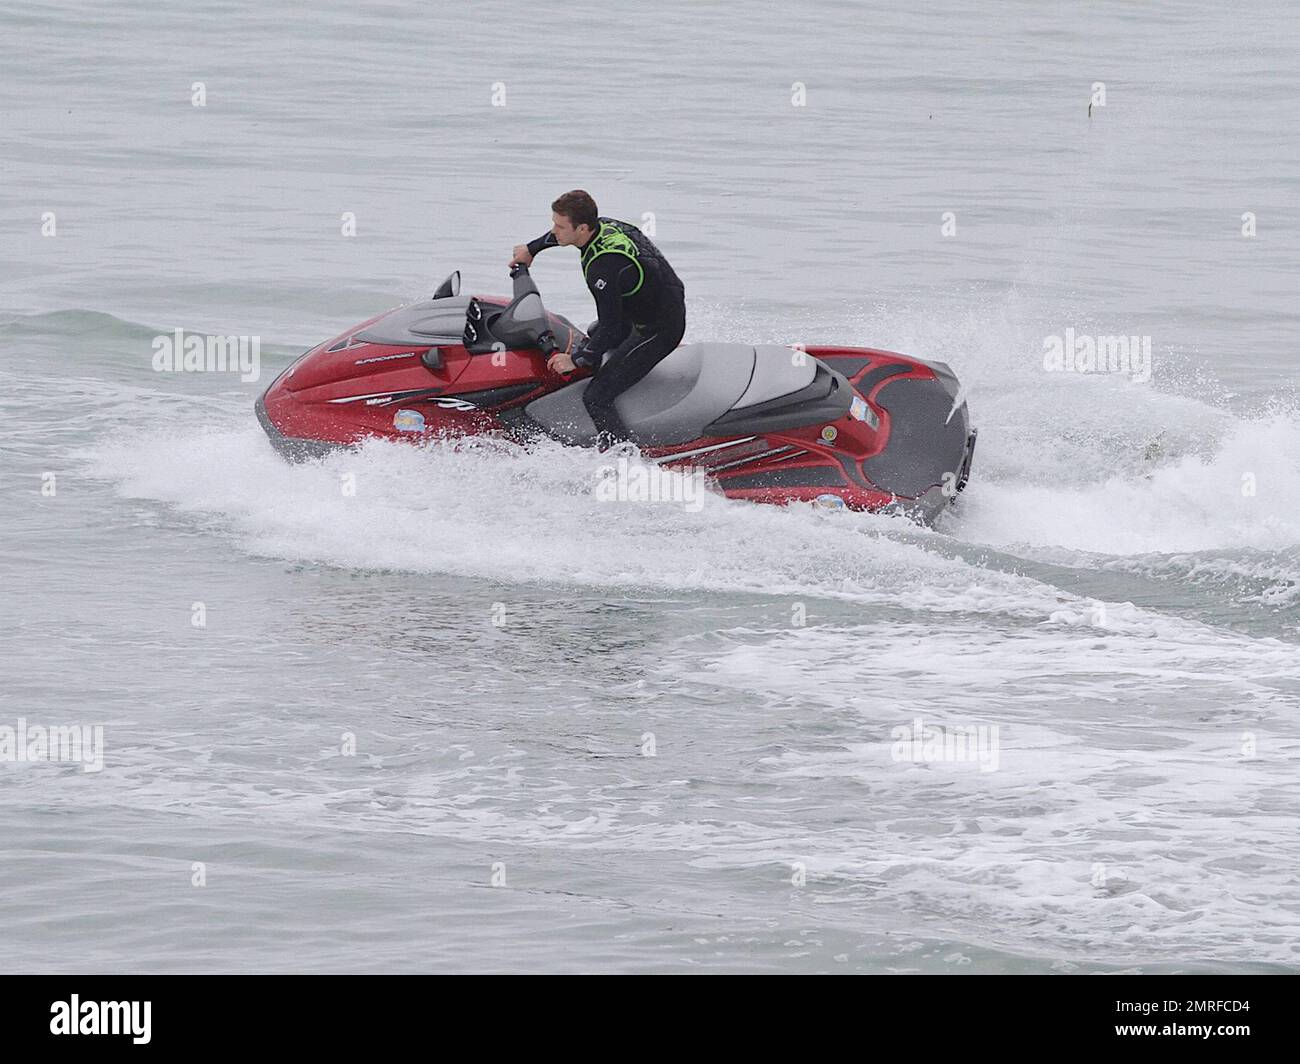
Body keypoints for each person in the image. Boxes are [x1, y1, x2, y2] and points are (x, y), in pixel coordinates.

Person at [510, 190, 685, 446]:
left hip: (658, 330)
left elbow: (612, 328)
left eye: (559, 226)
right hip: (653, 305)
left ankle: (622, 458)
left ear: (581, 228)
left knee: (596, 397)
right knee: (594, 334)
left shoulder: (603, 265)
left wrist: (575, 360)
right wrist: (532, 249)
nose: (554, 230)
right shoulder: (604, 225)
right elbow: (608, 323)